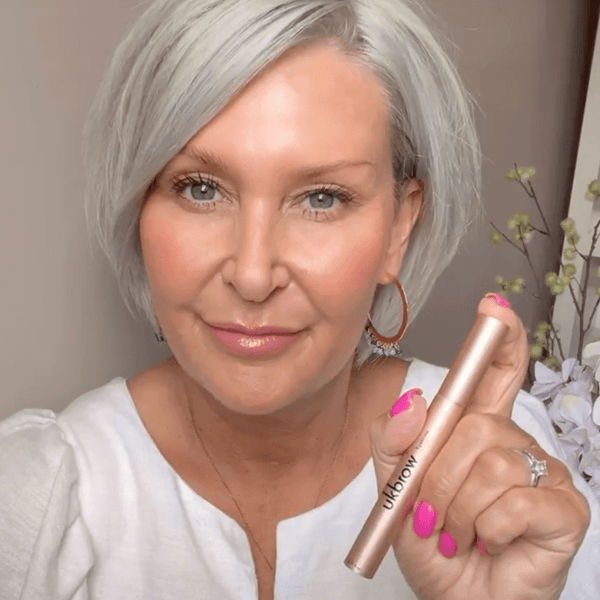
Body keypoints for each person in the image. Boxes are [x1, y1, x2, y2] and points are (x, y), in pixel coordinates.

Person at [1, 0, 599, 598]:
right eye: (201, 188)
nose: (253, 275)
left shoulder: (499, 464)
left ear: (399, 227)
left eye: (321, 198)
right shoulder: (44, 492)